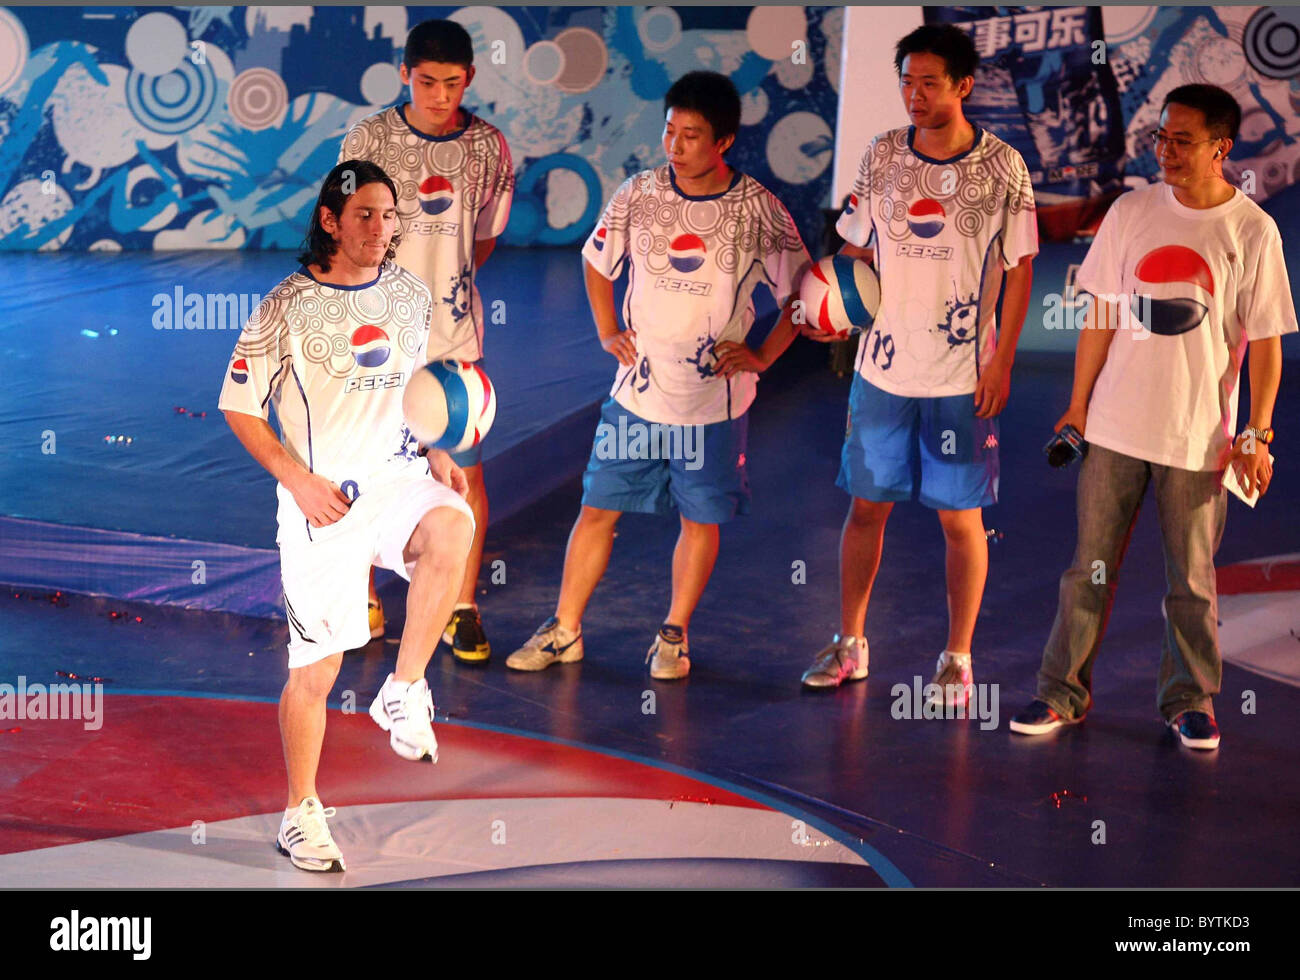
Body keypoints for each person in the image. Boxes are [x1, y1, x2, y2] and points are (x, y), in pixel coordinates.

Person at [1009, 84, 1296, 750]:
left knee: (1192, 580)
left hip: (1200, 440)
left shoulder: (1252, 230)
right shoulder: (1133, 211)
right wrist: (1078, 408)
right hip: (1113, 428)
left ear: (1221, 149)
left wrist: (1255, 433)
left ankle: (1189, 701)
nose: (1166, 150)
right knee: (1088, 569)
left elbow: (1268, 345)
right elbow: (1101, 315)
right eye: (1162, 137)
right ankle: (1060, 692)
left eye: (1183, 140)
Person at [506, 70, 811, 679]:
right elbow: (597, 262)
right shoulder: (638, 194)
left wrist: (765, 354)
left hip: (712, 405)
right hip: (636, 395)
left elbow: (805, 293)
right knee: (596, 508)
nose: (674, 145)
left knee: (699, 520)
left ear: (724, 142)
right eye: (669, 131)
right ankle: (565, 628)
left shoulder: (759, 212)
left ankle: (674, 634)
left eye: (691, 136)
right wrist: (604, 329)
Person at [220, 161, 475, 872]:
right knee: (317, 668)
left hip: (395, 480)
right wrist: (297, 481)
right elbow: (239, 407)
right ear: (329, 221)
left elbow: (415, 383)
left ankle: (404, 689)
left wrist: (433, 448)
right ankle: (299, 811)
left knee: (454, 525)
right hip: (322, 501)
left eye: (389, 216)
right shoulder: (286, 307)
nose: (380, 228)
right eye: (364, 214)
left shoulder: (406, 294)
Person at [800, 24, 1038, 703]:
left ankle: (958, 658)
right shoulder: (881, 157)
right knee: (865, 509)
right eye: (906, 81)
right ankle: (851, 644)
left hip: (961, 378)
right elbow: (853, 254)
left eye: (929, 83)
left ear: (965, 85)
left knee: (959, 521)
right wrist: (829, 314)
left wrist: (1003, 361)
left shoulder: (1003, 169)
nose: (914, 95)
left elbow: (1020, 272)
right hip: (882, 373)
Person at [341, 18, 514, 663]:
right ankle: (360, 592)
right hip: (372, 331)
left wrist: (444, 282)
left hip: (452, 336)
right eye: (425, 82)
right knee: (358, 462)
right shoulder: (369, 139)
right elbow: (348, 232)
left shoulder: (488, 148)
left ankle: (460, 604)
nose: (439, 94)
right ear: (404, 76)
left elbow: (485, 237)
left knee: (464, 470)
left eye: (451, 82)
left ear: (469, 78)